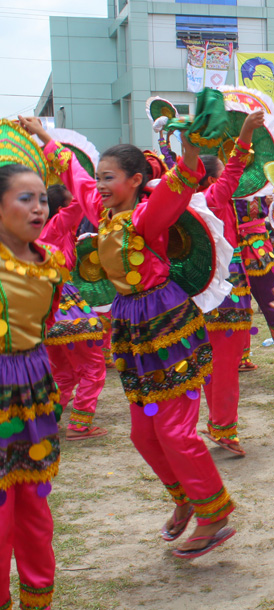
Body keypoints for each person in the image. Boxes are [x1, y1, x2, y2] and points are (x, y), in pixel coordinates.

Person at [26, 115, 236, 558]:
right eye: (100, 177)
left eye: (110, 178)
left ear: (136, 180)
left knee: (176, 430)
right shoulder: (101, 212)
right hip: (131, 328)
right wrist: (44, 136)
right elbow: (73, 173)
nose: (99, 184)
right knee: (143, 433)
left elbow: (179, 185)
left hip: (166, 325)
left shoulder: (147, 213)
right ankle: (185, 497)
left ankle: (214, 513)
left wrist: (192, 149)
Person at [0, 153, 65, 610]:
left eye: (43, 199)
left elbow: (46, 320)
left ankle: (37, 600)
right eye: (26, 199)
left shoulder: (52, 261)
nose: (39, 208)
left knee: (35, 506)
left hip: (35, 387)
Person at [198, 111, 263, 455]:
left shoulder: (195, 201)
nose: (229, 179)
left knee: (216, 358)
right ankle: (223, 426)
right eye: (221, 175)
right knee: (224, 361)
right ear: (209, 179)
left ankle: (219, 422)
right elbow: (236, 167)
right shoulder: (211, 199)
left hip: (212, 289)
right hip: (224, 289)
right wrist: (246, 133)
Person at [39, 185, 108, 439]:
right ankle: (80, 424)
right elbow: (82, 200)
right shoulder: (58, 223)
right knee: (93, 365)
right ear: (60, 209)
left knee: (62, 373)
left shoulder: (41, 230)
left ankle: (47, 419)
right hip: (64, 304)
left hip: (45, 307)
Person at [235, 194, 274, 378]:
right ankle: (240, 356)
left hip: (256, 244)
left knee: (269, 300)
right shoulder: (220, 175)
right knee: (235, 302)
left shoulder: (260, 178)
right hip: (229, 243)